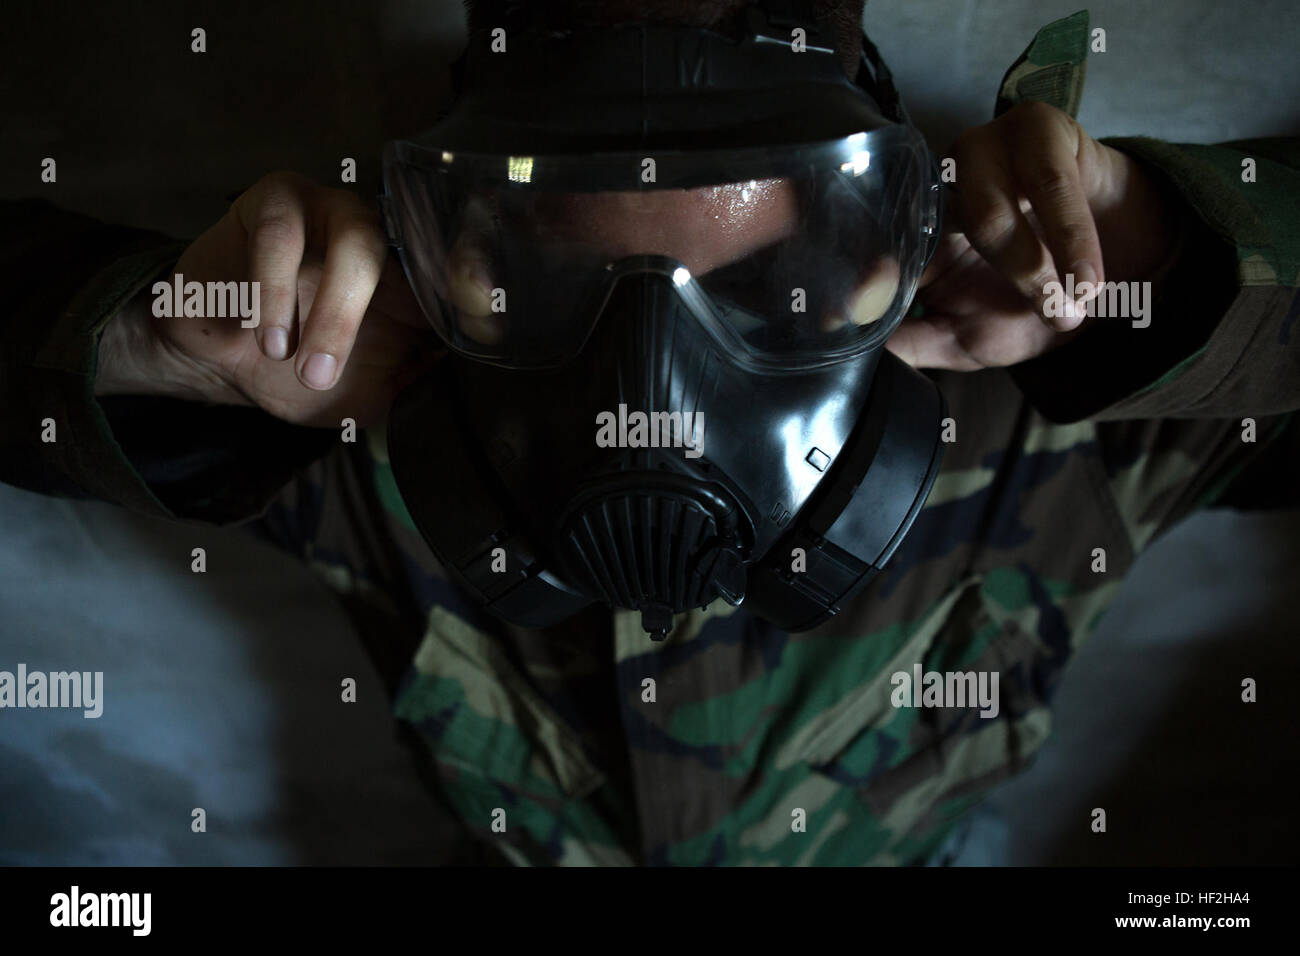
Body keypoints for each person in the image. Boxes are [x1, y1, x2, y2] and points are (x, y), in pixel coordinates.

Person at [2, 0, 1297, 866]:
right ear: (455, 266)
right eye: (567, 280)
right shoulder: (359, 408)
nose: (659, 380)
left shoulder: (1063, 425)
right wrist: (152, 346)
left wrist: (1178, 277)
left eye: (762, 282)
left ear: (877, 254)